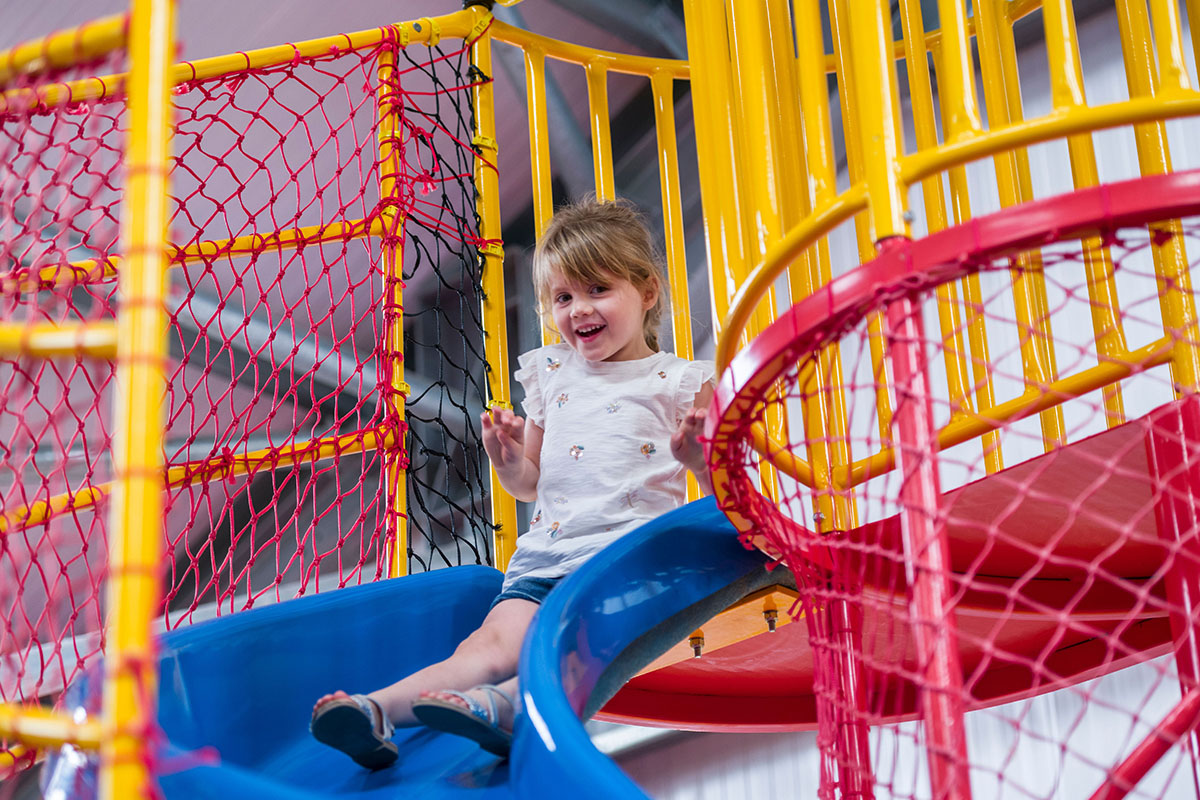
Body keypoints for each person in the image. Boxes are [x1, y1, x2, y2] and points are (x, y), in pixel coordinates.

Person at [309, 196, 715, 768]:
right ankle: (374, 709)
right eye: (563, 297)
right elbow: (529, 483)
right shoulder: (553, 373)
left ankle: (503, 706)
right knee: (486, 646)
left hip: (626, 561)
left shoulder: (675, 381)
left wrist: (698, 457)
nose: (578, 310)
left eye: (598, 290)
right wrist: (504, 459)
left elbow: (723, 488)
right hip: (544, 560)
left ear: (646, 291)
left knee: (583, 647)